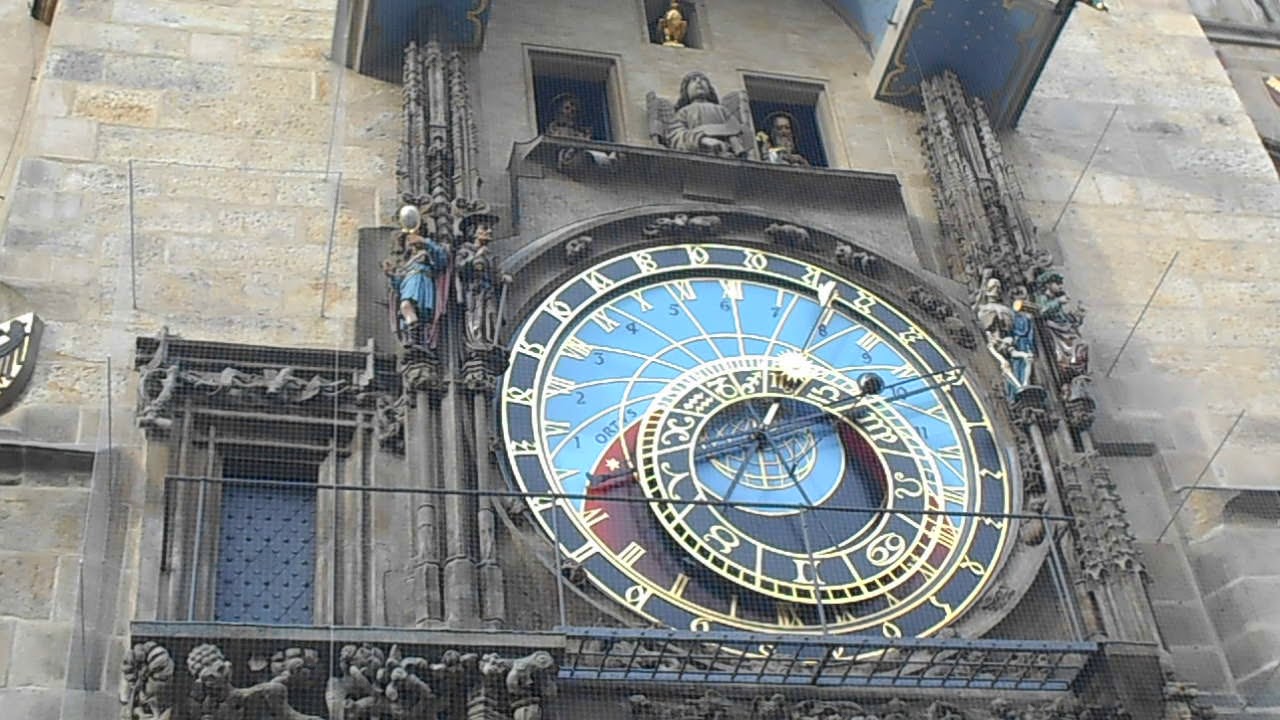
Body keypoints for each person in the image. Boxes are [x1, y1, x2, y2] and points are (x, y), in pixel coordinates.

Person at [385, 227, 449, 348]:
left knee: (410, 308)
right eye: (408, 239)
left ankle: (417, 339)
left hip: (422, 282)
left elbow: (442, 261)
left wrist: (425, 242)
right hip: (409, 284)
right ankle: (414, 338)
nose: (411, 241)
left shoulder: (427, 253)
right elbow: (398, 287)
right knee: (406, 307)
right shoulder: (406, 262)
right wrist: (391, 275)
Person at [455, 212, 509, 351]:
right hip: (474, 291)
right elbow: (459, 268)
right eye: (484, 228)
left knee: (491, 314)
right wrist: (476, 257)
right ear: (473, 231)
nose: (489, 231)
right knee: (477, 315)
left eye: (490, 228)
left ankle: (490, 340)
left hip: (488, 290)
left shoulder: (491, 256)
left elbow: (496, 274)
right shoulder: (465, 250)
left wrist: (502, 278)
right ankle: (477, 340)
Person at [666, 71, 749, 157]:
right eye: (693, 80)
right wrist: (702, 140)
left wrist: (735, 144)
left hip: (726, 153)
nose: (699, 81)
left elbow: (736, 130)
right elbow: (676, 135)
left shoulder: (722, 110)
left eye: (703, 80)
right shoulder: (684, 112)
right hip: (698, 153)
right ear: (686, 91)